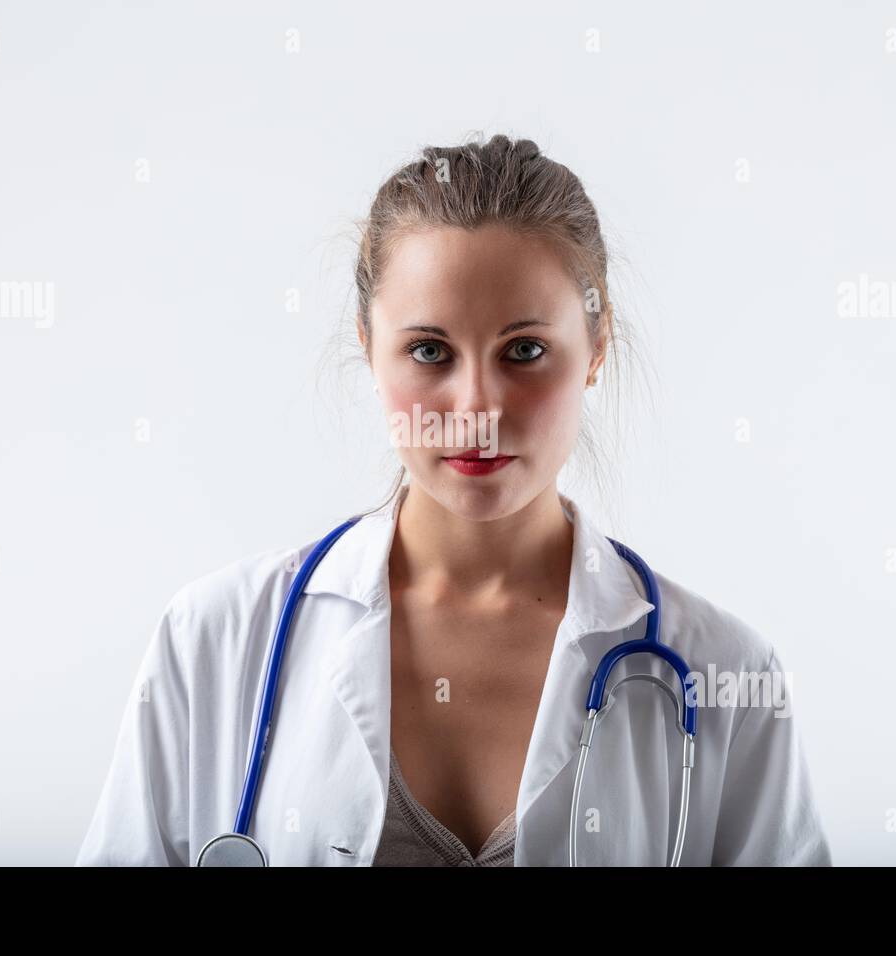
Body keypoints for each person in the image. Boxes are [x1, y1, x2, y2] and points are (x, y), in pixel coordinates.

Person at [75, 134, 831, 867]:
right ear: (369, 349)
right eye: (430, 351)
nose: (475, 405)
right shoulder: (214, 640)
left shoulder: (723, 673)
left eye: (524, 351)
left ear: (596, 349)